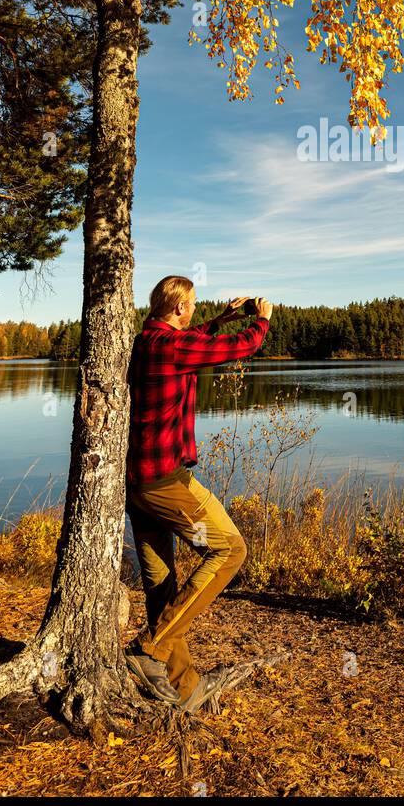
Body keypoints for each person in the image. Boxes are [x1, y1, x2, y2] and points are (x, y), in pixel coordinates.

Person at [124, 275, 272, 712]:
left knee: (161, 585)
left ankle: (183, 687)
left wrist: (222, 318)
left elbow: (192, 340)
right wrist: (259, 322)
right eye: (191, 304)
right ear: (179, 307)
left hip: (138, 486)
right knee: (229, 550)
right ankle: (149, 651)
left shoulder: (148, 340)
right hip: (165, 483)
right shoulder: (170, 348)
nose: (194, 309)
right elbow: (239, 349)